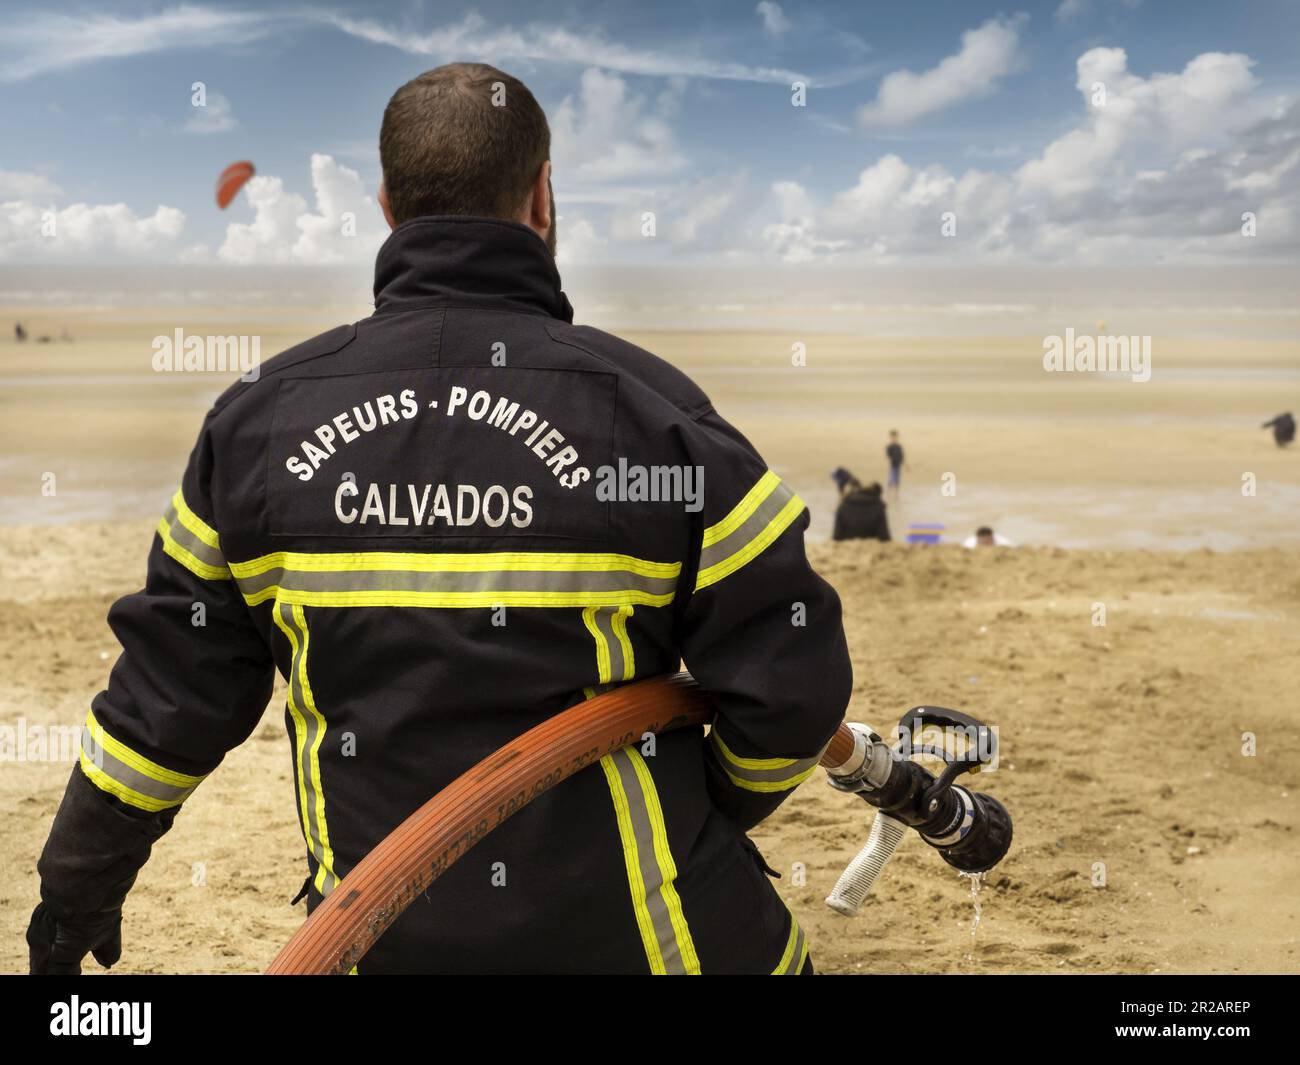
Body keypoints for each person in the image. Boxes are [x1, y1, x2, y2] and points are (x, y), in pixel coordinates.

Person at [27, 63, 852, 976]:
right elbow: (793, 686)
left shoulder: (256, 425)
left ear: (386, 206)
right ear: (544, 196)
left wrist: (79, 880)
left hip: (382, 944)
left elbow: (166, 700)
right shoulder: (656, 413)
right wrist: (713, 806)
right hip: (666, 941)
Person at [832, 476, 891, 542]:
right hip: (871, 547)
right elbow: (885, 537)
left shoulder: (842, 506)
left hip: (848, 545)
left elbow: (836, 537)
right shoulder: (878, 507)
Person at [885, 430, 905, 500]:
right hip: (892, 464)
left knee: (897, 478)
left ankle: (896, 493)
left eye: (895, 436)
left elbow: (901, 456)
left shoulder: (899, 446)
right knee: (892, 478)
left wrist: (905, 464)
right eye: (893, 437)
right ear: (890, 437)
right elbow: (888, 456)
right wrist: (889, 464)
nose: (894, 438)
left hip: (898, 464)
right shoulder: (889, 447)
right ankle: (889, 492)